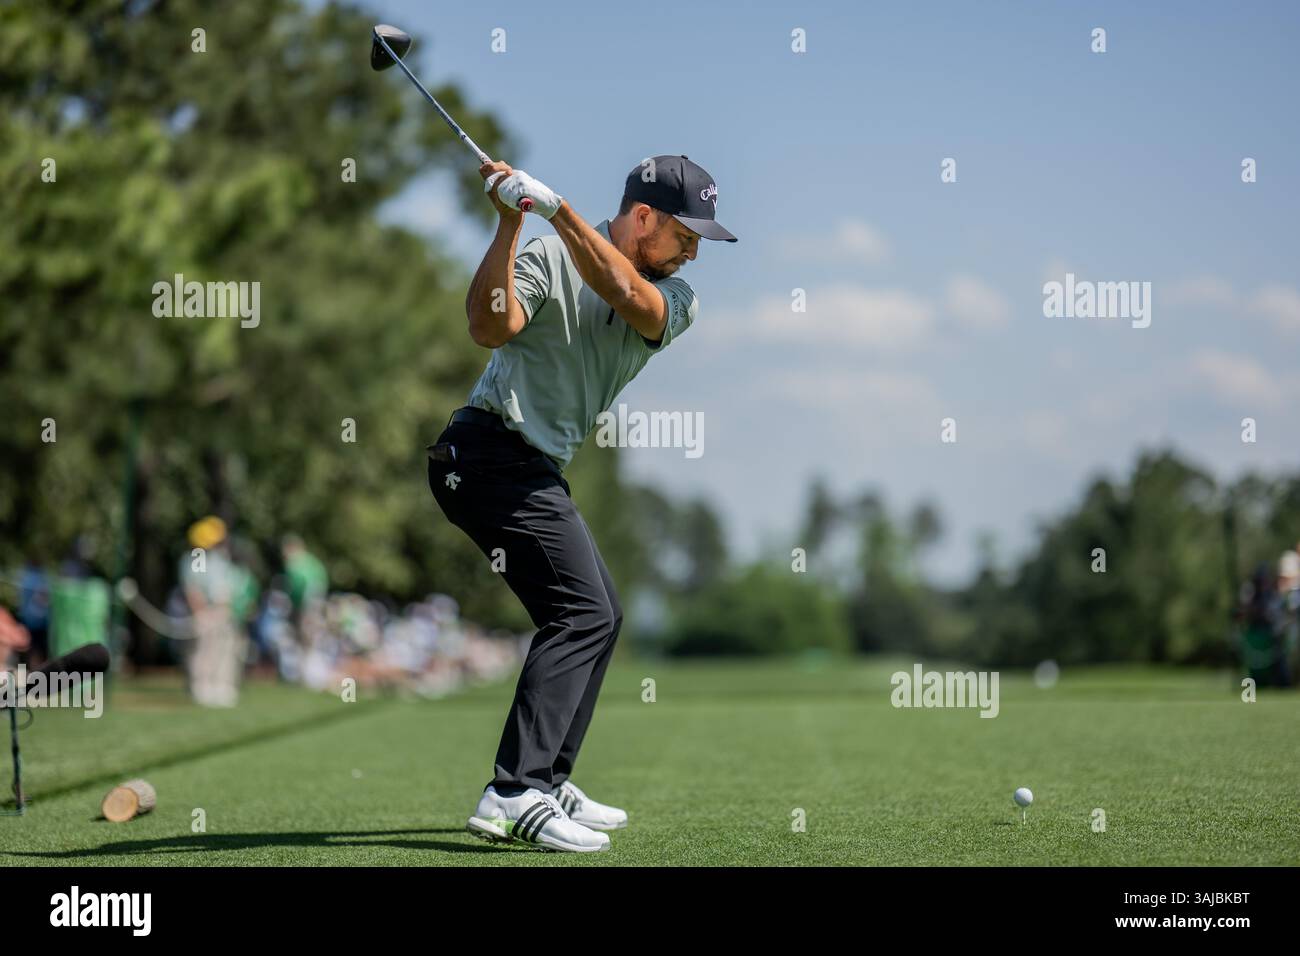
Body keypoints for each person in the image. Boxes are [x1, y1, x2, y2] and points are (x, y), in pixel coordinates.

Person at [426, 154, 736, 852]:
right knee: (580, 612)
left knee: (603, 613)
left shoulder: (675, 299)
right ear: (644, 217)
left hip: (529, 467)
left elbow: (630, 297)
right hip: (483, 455)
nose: (693, 252)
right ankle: (513, 792)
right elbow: (488, 328)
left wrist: (558, 210)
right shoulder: (546, 254)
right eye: (686, 235)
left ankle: (550, 777)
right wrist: (509, 225)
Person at [180, 517, 245, 707]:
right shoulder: (196, 558)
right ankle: (202, 687)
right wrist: (202, 612)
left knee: (225, 651)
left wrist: (225, 609)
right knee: (203, 652)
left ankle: (222, 686)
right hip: (205, 613)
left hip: (222, 612)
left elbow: (226, 587)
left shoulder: (219, 559)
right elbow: (194, 590)